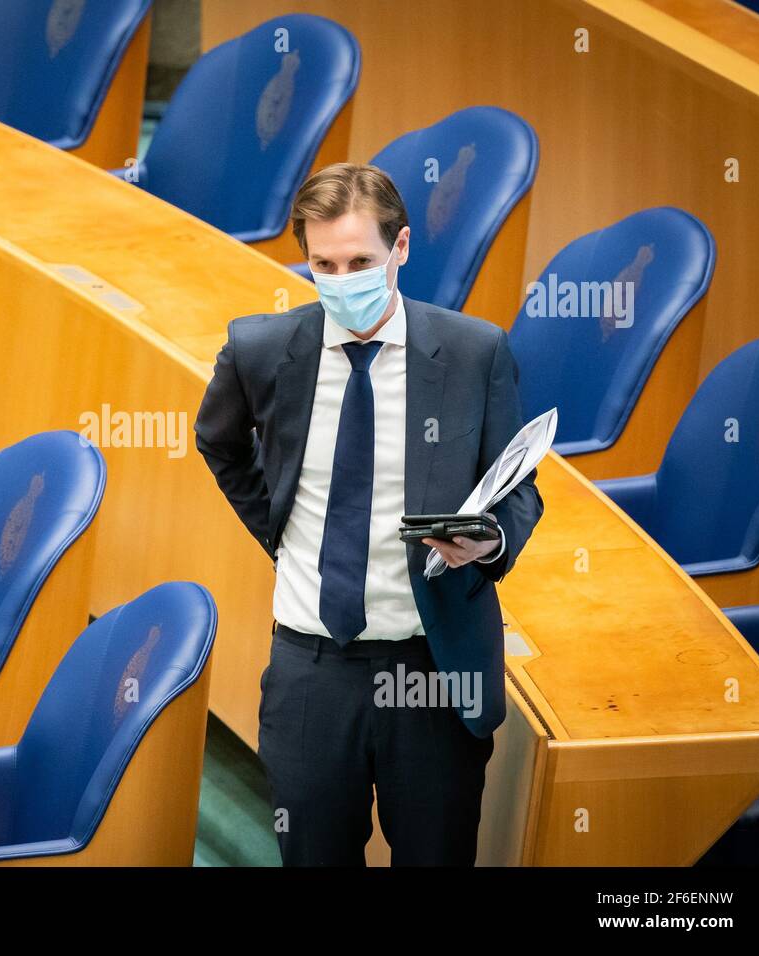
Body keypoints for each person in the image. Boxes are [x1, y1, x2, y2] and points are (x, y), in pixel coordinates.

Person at [194, 163, 543, 866]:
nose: (341, 278)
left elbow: (520, 486)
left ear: (402, 248)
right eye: (323, 263)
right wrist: (281, 532)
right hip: (310, 670)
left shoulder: (475, 353)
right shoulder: (261, 349)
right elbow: (218, 441)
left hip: (432, 666)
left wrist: (488, 542)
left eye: (360, 261)